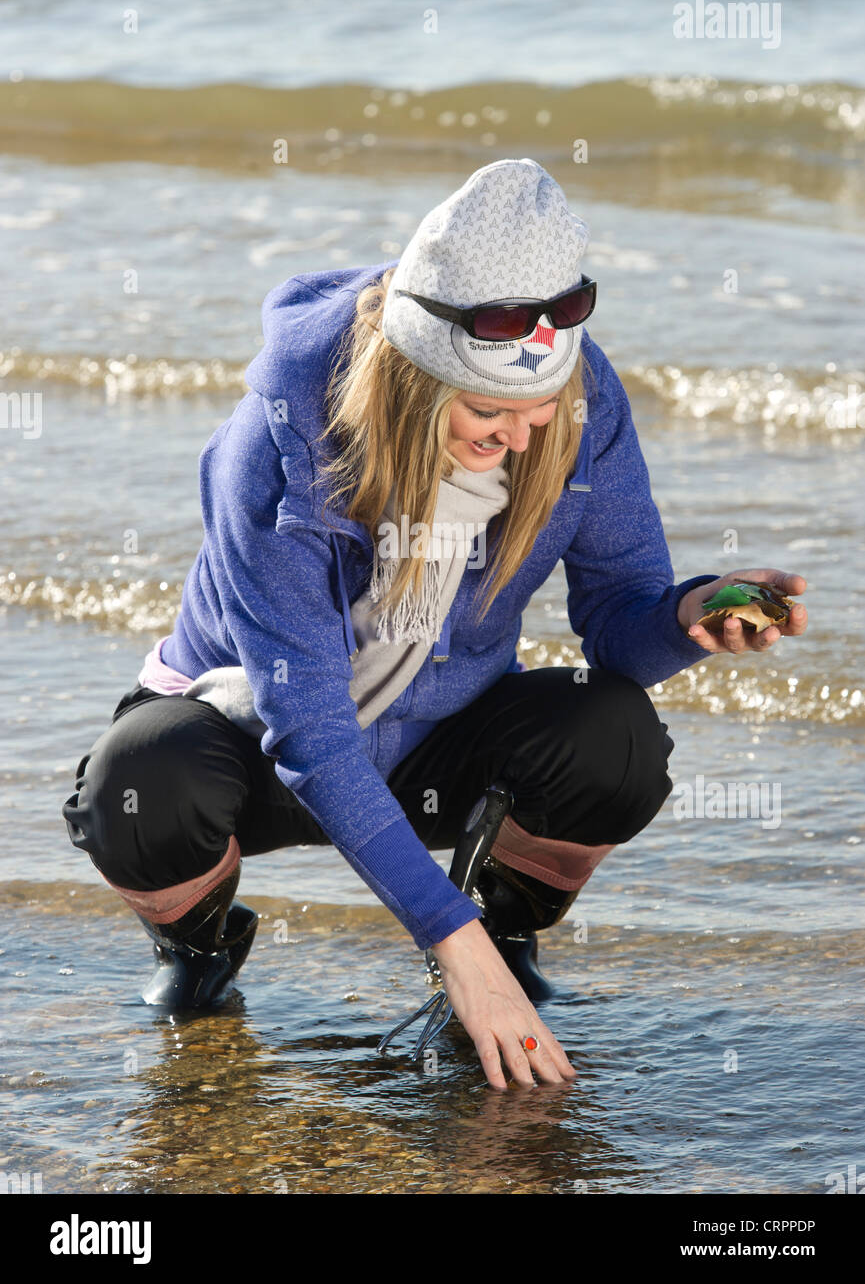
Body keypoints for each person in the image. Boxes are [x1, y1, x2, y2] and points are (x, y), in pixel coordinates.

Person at [61, 158, 808, 1092]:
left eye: (539, 408)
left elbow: (617, 625)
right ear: (413, 389)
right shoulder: (272, 444)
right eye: (487, 411)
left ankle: (505, 930)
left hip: (442, 732)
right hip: (252, 739)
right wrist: (449, 948)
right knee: (137, 783)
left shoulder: (582, 401)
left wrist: (688, 617)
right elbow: (312, 736)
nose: (521, 437)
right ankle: (198, 948)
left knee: (611, 731)